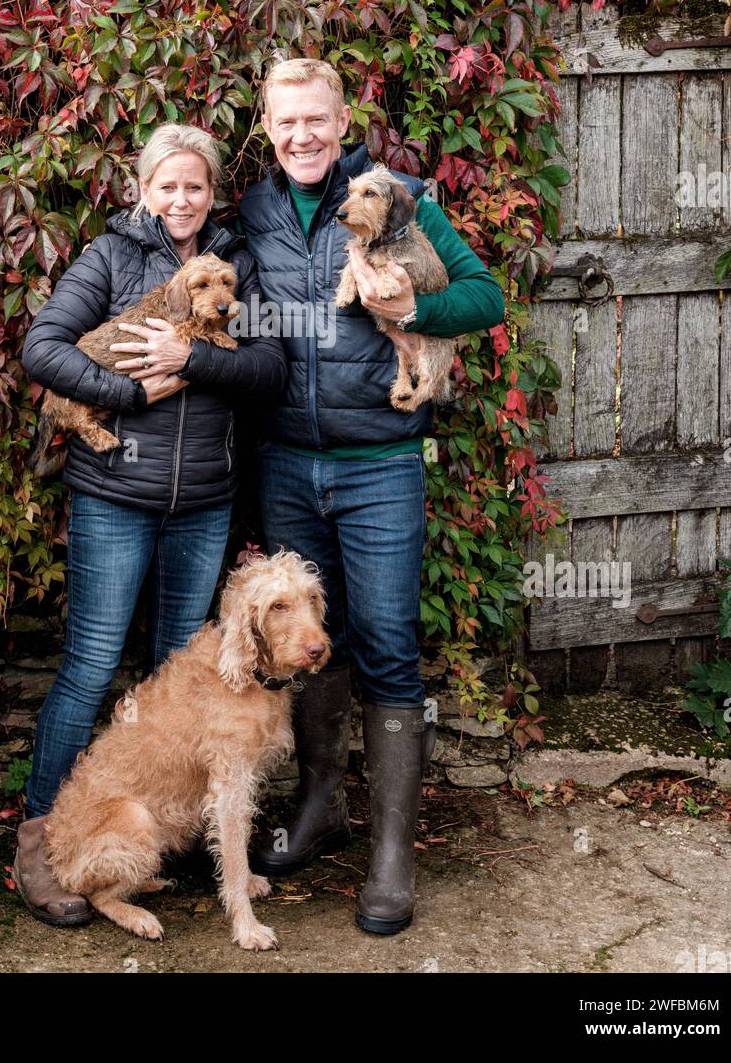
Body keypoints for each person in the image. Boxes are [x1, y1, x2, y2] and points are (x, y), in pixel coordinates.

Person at [239, 58, 506, 935]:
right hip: (283, 461)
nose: (303, 136)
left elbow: (484, 296)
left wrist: (414, 312)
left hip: (381, 462)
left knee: (388, 645)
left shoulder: (396, 197)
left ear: (343, 118)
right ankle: (321, 811)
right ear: (268, 127)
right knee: (307, 648)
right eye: (287, 123)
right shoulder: (255, 210)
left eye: (317, 120)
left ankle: (392, 855)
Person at [14, 122, 287, 926]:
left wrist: (189, 358)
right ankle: (41, 847)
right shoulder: (109, 257)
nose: (180, 198)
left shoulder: (237, 262)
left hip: (203, 502)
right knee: (91, 666)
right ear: (142, 189)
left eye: (194, 185)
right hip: (112, 496)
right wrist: (135, 393)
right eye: (166, 184)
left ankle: (187, 843)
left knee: (184, 686)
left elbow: (268, 369)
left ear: (211, 193)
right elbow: (43, 348)